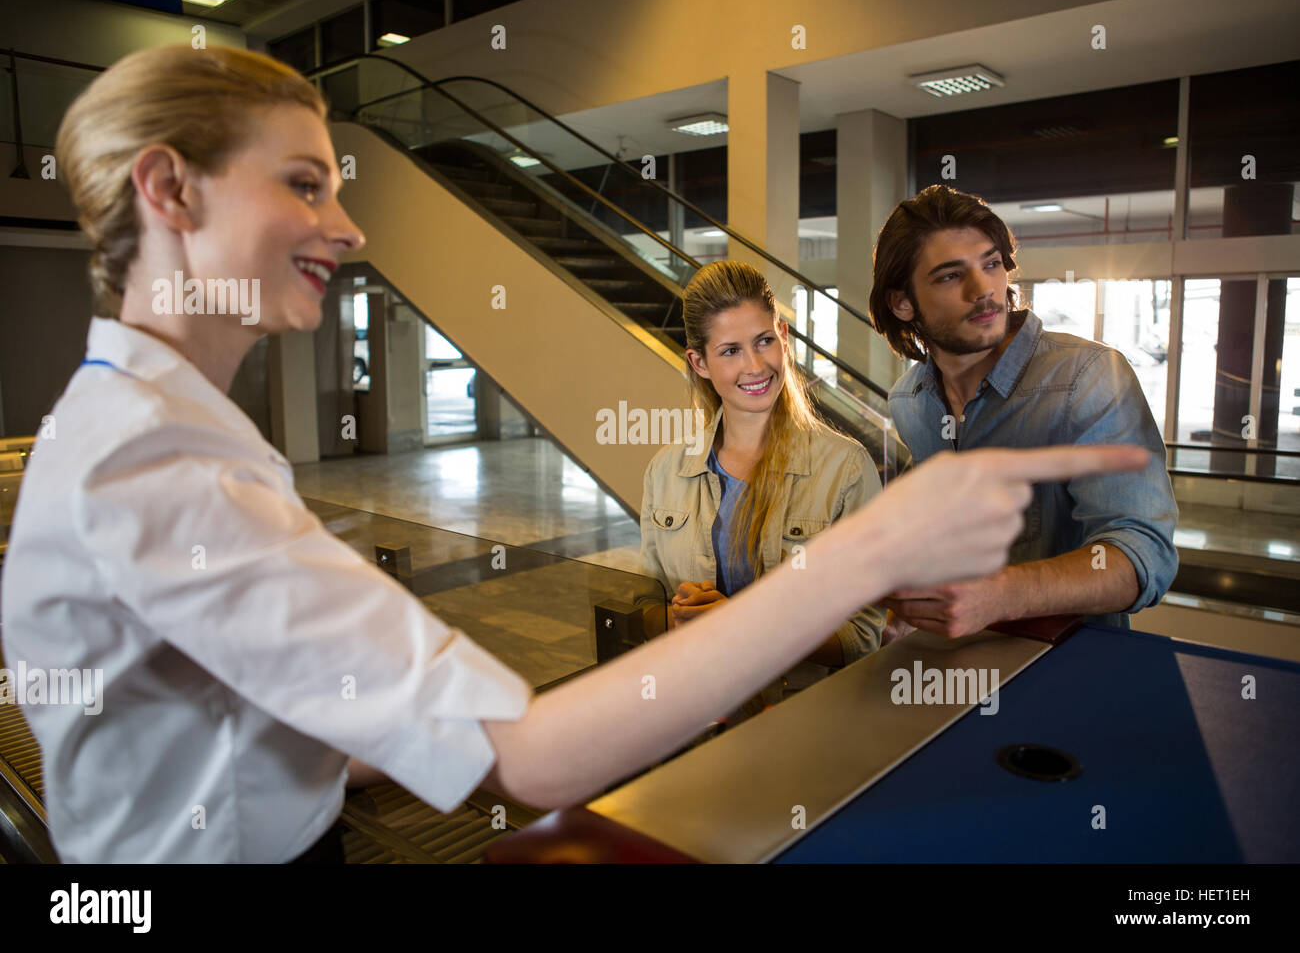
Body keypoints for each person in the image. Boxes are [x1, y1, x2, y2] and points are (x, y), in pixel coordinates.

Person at [0, 46, 1148, 863]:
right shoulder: (159, 466)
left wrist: (412, 726)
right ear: (167, 190)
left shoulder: (157, 430)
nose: (348, 229)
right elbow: (533, 759)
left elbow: (275, 725)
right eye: (304, 183)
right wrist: (870, 555)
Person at [868, 185, 1179, 641]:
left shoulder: (1087, 377)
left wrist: (1001, 594)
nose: (984, 291)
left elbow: (1143, 554)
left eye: (991, 264)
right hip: (955, 670)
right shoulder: (910, 399)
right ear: (902, 302)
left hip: (1071, 673)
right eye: (951, 276)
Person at [638, 261, 886, 717]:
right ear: (699, 363)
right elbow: (644, 603)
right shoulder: (664, 471)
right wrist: (676, 619)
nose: (755, 366)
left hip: (800, 723)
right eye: (730, 351)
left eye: (764, 341)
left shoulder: (845, 469)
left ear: (784, 337)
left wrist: (742, 628)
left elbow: (862, 635)